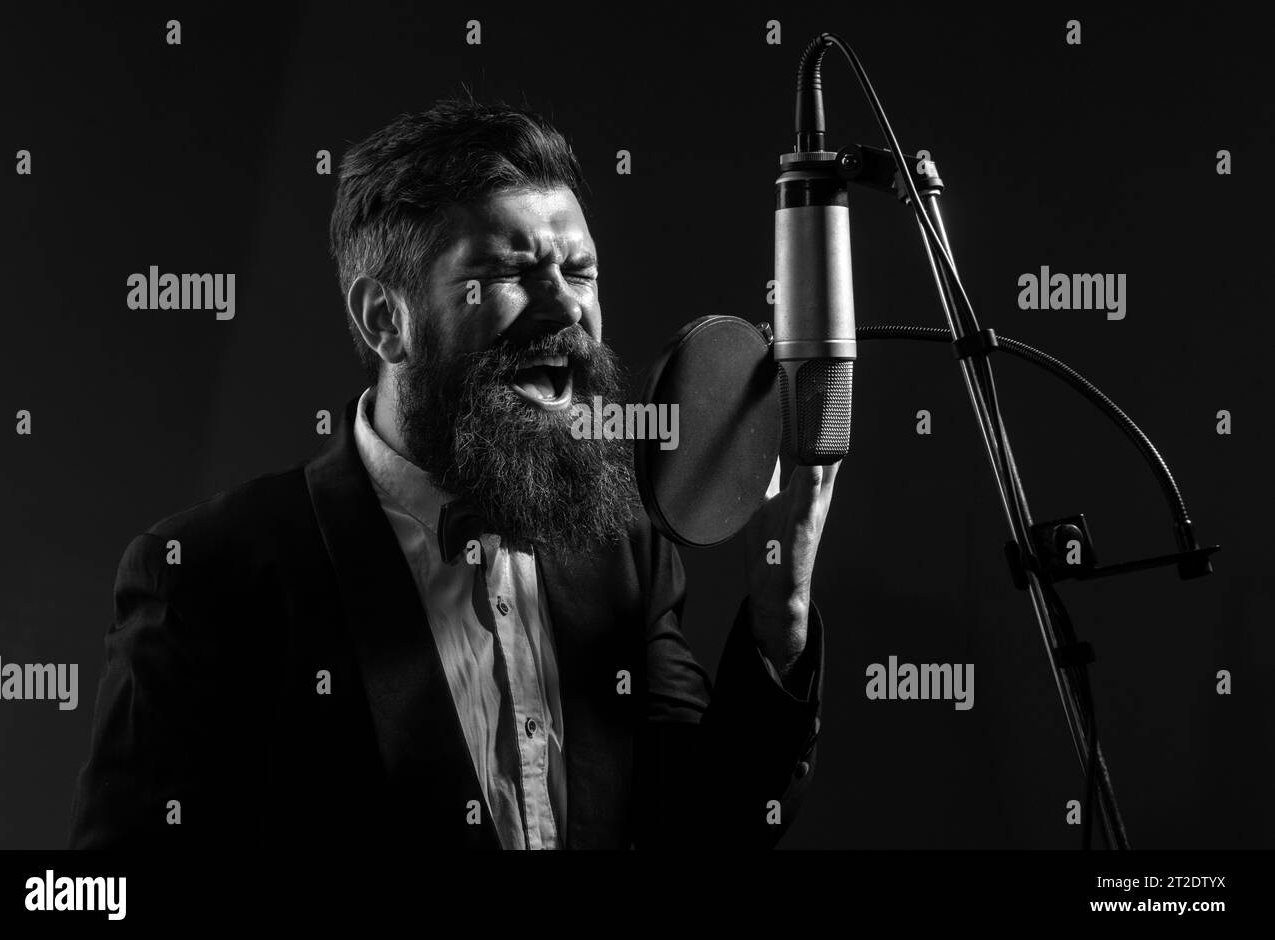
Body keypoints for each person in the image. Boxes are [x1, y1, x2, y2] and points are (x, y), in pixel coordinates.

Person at [69, 96, 838, 850]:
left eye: (580, 271)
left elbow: (708, 821)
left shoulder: (622, 543)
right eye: (509, 273)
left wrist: (782, 598)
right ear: (385, 319)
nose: (566, 309)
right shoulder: (207, 579)